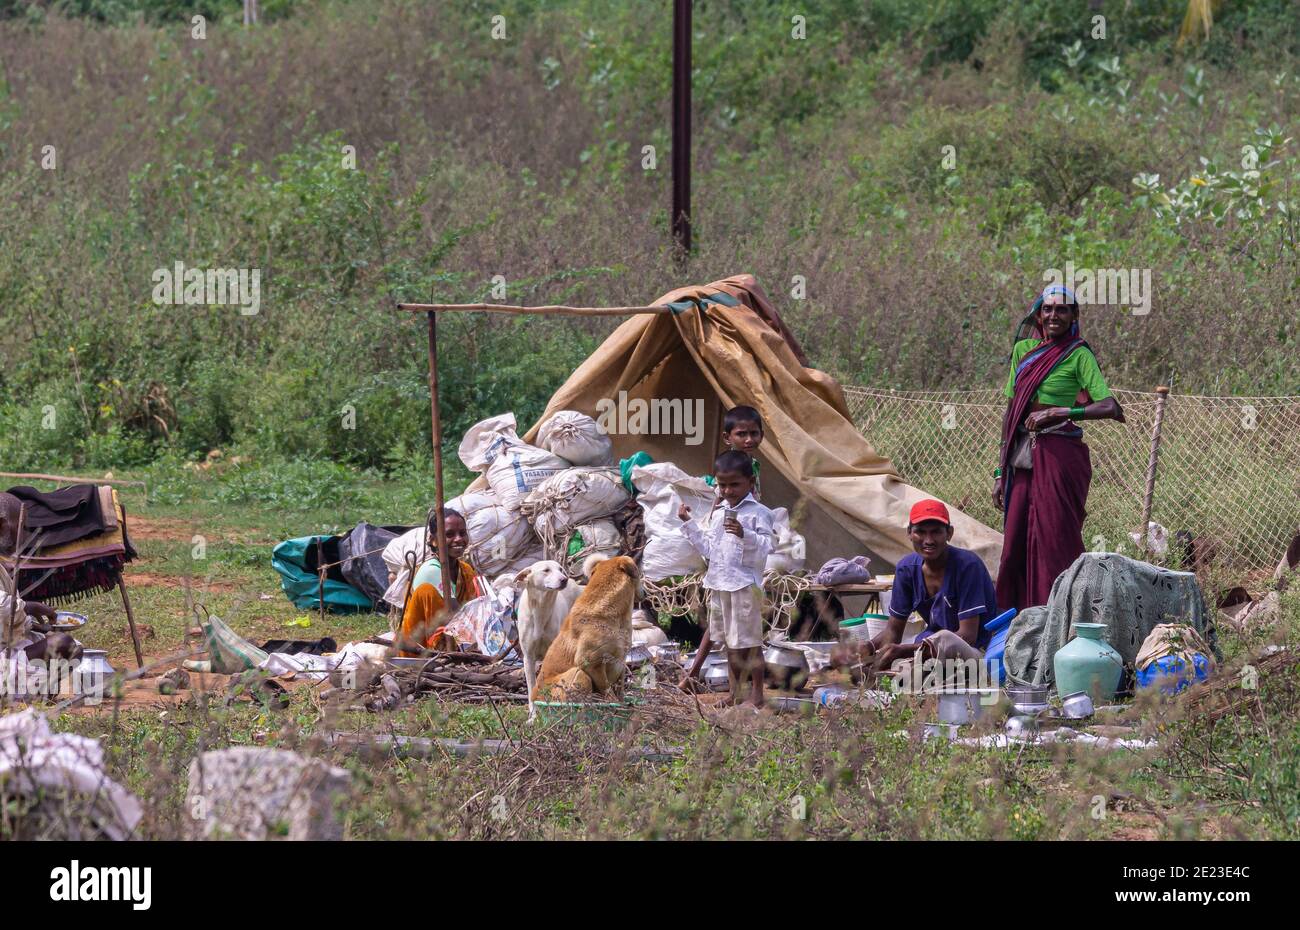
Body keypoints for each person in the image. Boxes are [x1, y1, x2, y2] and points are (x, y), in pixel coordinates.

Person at [993, 284, 1124, 611]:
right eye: (1048, 309)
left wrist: (1062, 411)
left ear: (1073, 316)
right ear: (1038, 314)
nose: (1054, 315)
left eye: (1062, 309)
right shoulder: (1024, 351)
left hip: (1059, 455)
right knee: (1015, 543)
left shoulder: (1078, 354)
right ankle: (1018, 619)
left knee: (1055, 540)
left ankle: (1064, 613)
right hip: (1022, 457)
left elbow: (1109, 406)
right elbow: (1011, 413)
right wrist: (999, 471)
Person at [854, 499, 998, 688]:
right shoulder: (907, 569)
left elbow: (967, 636)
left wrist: (903, 651)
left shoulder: (967, 566)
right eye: (920, 532)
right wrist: (869, 647)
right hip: (932, 651)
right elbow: (893, 631)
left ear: (949, 533)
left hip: (976, 652)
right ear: (909, 534)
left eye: (936, 532)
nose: (928, 540)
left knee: (941, 639)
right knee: (894, 662)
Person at [677, 450, 776, 708]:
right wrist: (688, 523)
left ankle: (757, 695)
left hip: (744, 585)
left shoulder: (759, 513)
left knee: (750, 642)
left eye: (735, 484)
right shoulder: (720, 513)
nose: (728, 491)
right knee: (729, 642)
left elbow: (768, 546)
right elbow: (709, 549)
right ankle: (735, 693)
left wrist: (746, 535)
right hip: (720, 583)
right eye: (723, 485)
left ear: (750, 483)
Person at [396, 508, 484, 657]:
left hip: (459, 640)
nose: (458, 539)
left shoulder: (465, 569)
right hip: (420, 652)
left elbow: (479, 609)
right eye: (449, 534)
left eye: (462, 533)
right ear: (433, 540)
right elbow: (458, 616)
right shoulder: (431, 570)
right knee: (426, 591)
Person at [705, 405, 764, 498]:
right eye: (741, 434)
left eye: (754, 433)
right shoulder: (728, 464)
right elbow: (721, 499)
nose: (749, 440)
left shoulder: (754, 463)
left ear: (762, 435)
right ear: (727, 437)